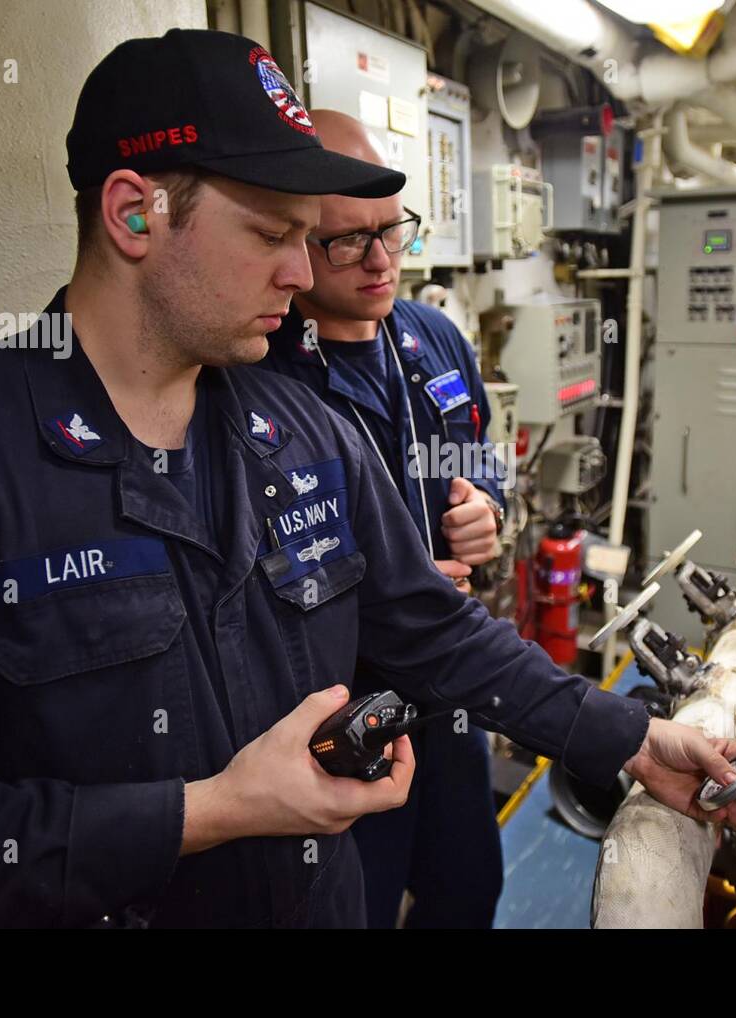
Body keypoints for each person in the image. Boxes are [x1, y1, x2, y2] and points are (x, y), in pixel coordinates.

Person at [0, 29, 736, 928]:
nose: (296, 273)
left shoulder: (303, 431)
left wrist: (633, 741)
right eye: (274, 234)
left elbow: (436, 633)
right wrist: (208, 813)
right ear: (133, 213)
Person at [260, 109, 507, 928]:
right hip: (343, 704)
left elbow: (479, 449)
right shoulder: (267, 382)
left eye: (390, 231)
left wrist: (486, 507)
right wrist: (376, 592)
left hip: (452, 685)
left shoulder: (434, 338)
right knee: (355, 901)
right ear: (298, 245)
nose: (378, 260)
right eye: (346, 241)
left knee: (466, 885)